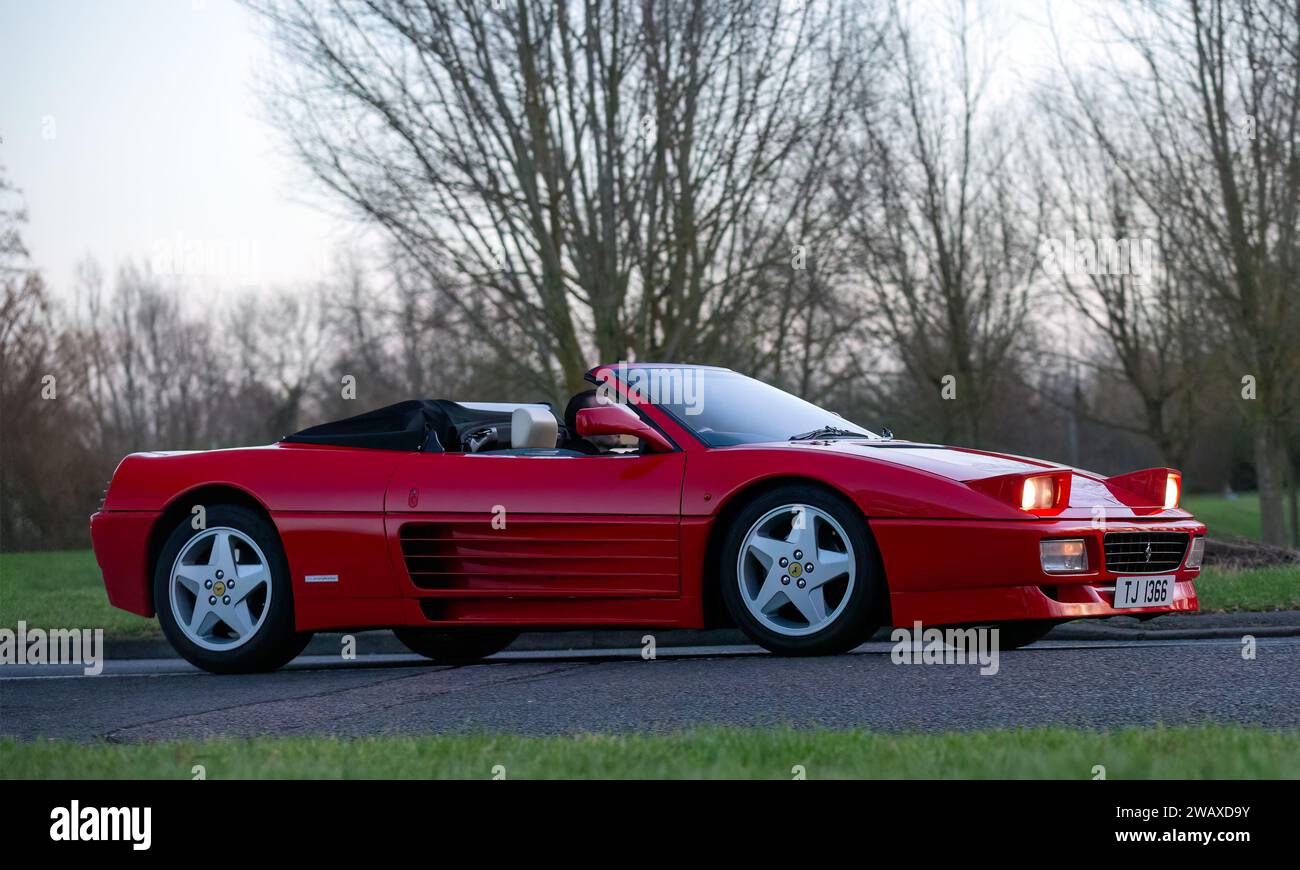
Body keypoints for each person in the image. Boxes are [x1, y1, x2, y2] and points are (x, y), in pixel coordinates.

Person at [561, 389, 620, 454]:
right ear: (582, 424)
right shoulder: (576, 459)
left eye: (614, 413)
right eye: (606, 414)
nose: (614, 420)